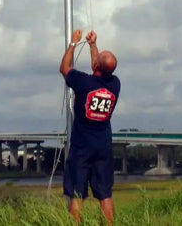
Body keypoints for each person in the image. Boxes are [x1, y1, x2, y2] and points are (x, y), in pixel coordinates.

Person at [59, 29, 120, 224]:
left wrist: (73, 43)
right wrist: (93, 45)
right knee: (105, 195)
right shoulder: (115, 84)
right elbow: (99, 68)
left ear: (95, 65)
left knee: (77, 193)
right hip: (103, 147)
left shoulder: (83, 82)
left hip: (82, 148)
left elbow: (64, 68)